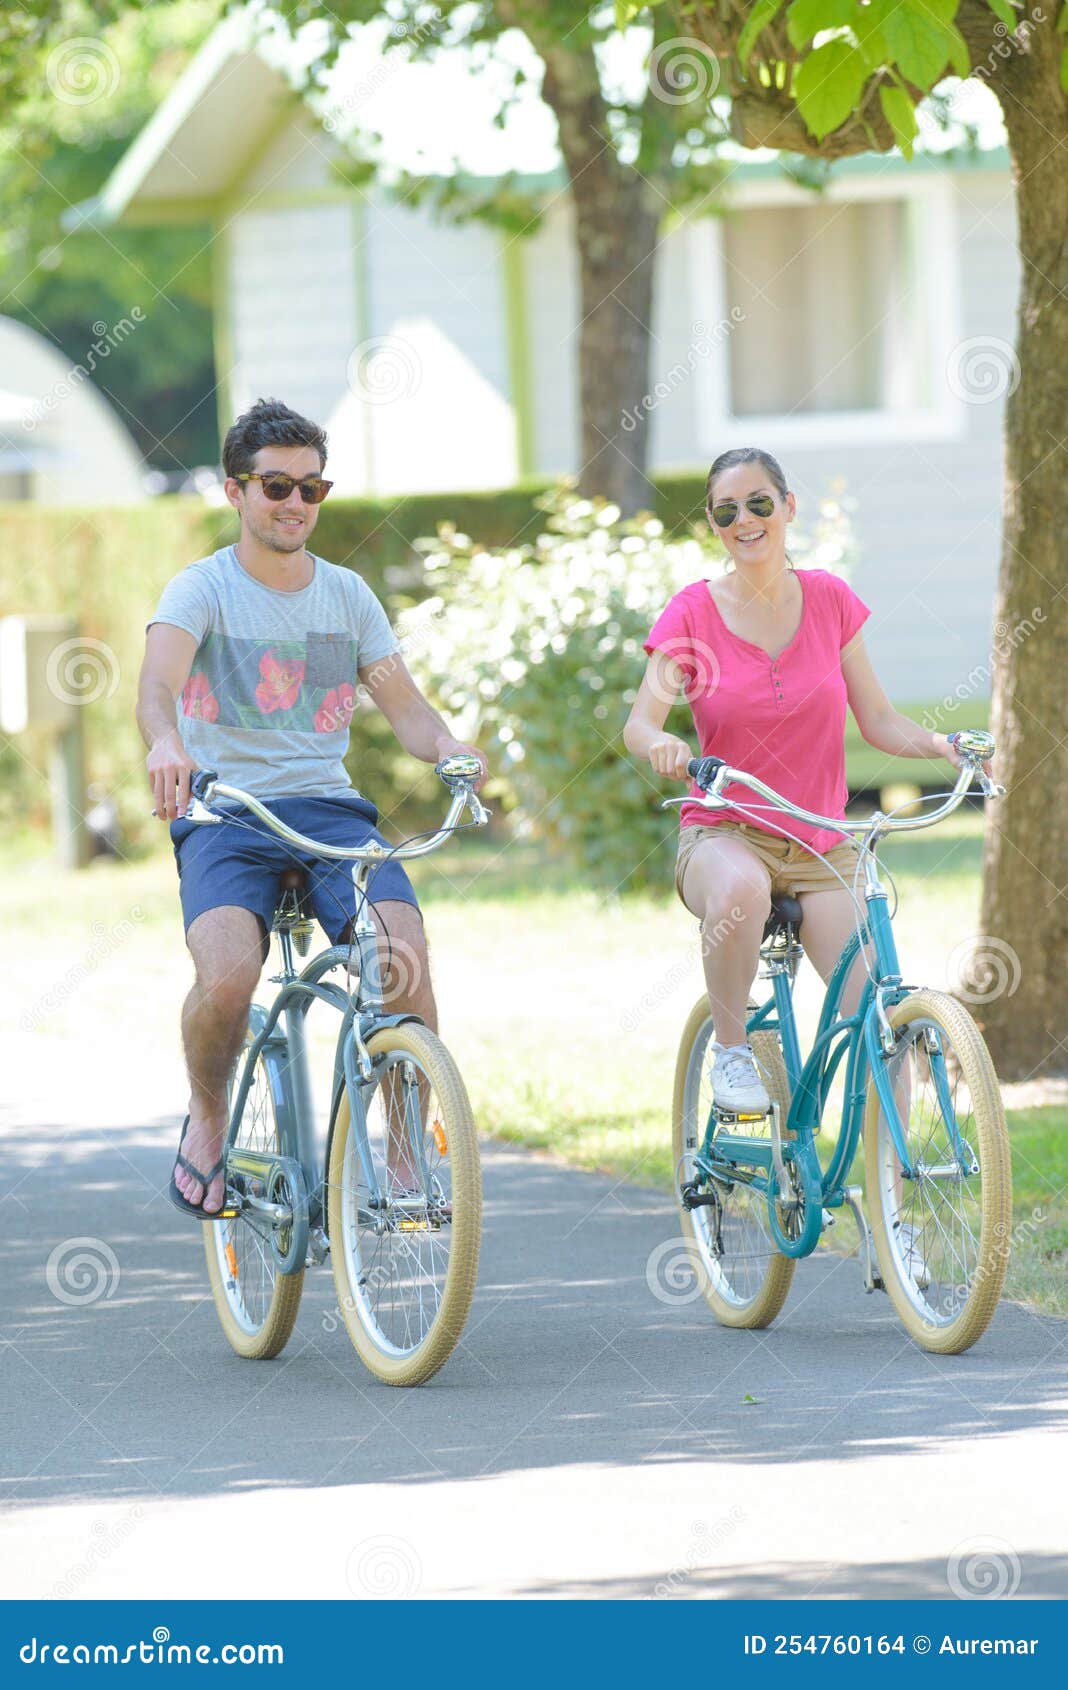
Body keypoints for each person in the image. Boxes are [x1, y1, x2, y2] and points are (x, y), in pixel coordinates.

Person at [136, 397, 485, 1217]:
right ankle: (210, 1119)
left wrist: (450, 751)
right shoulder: (202, 588)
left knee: (403, 958)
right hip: (227, 813)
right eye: (276, 486)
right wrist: (164, 743)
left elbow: (408, 711)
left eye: (311, 488)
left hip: (330, 814)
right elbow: (155, 689)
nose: (295, 503)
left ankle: (402, 1162)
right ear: (236, 491)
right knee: (226, 979)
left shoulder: (348, 596)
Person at [623, 445, 984, 1116]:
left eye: (759, 502)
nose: (745, 520)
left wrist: (946, 745)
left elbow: (876, 719)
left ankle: (893, 1214)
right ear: (713, 524)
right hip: (726, 830)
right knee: (738, 888)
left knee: (882, 1023)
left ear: (788, 508)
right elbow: (638, 724)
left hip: (821, 840)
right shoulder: (693, 615)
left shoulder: (828, 601)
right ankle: (732, 1053)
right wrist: (664, 743)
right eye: (725, 510)